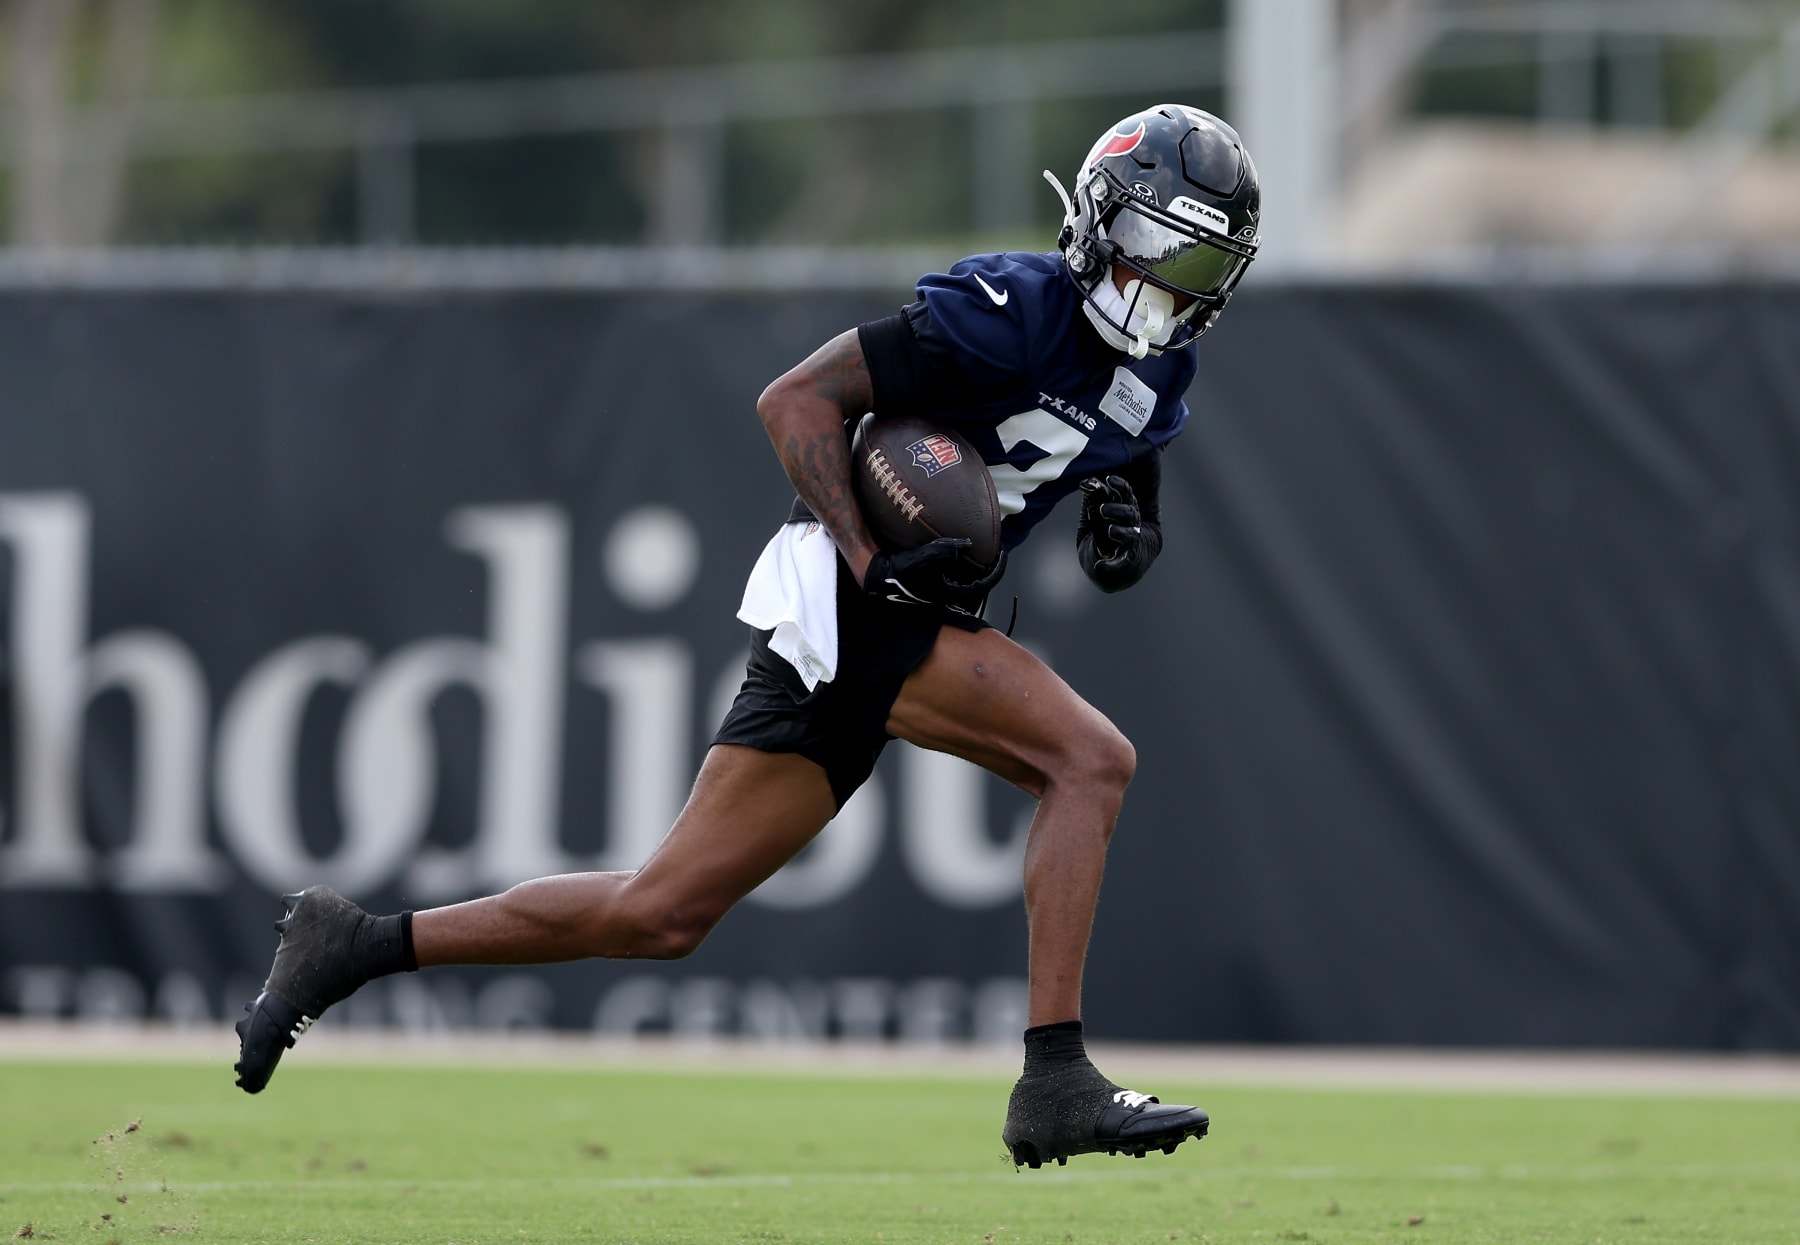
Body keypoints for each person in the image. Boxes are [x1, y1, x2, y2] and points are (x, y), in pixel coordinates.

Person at [233, 103, 1261, 1170]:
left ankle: (347, 947)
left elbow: (1123, 494)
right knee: (1090, 761)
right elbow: (796, 400)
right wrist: (870, 562)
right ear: (1099, 224)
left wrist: (1125, 540)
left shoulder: (1160, 373)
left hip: (908, 613)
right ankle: (1055, 1077)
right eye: (1158, 245)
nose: (1173, 283)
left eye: (1200, 261)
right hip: (849, 592)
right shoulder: (1008, 307)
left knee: (660, 912)